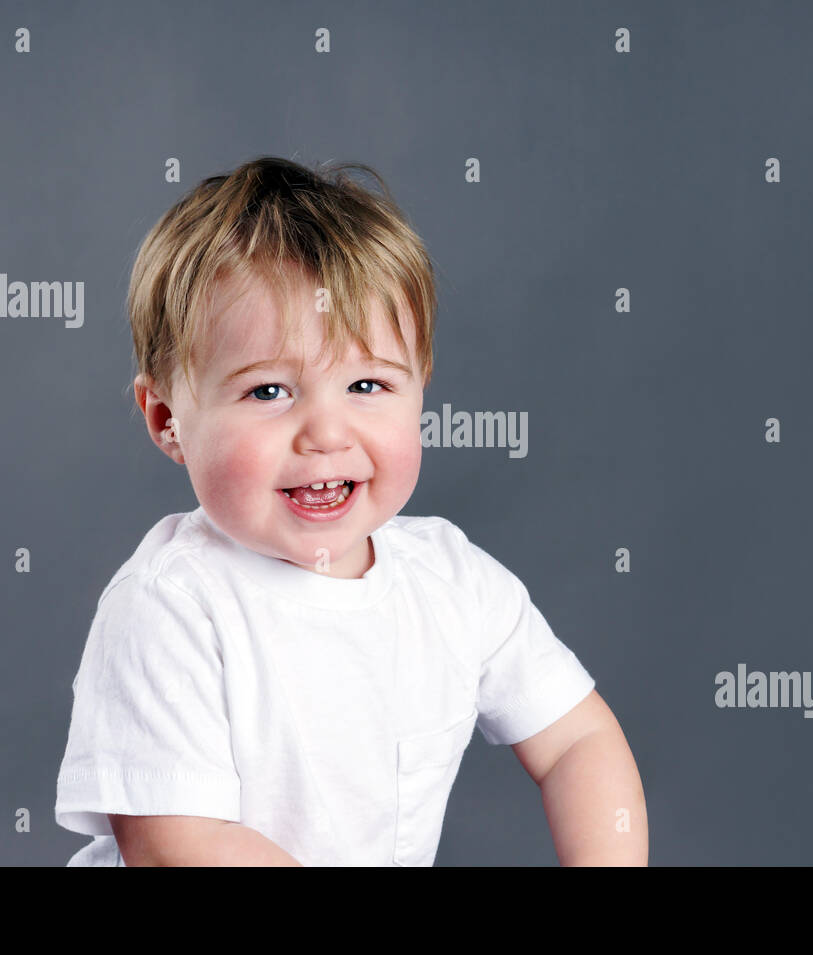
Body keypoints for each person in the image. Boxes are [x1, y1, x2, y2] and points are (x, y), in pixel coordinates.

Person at [54, 156, 647, 865]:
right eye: (269, 392)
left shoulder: (453, 583)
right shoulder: (172, 607)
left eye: (367, 384)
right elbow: (181, 847)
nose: (328, 435)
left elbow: (577, 741)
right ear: (166, 419)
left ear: (420, 390)